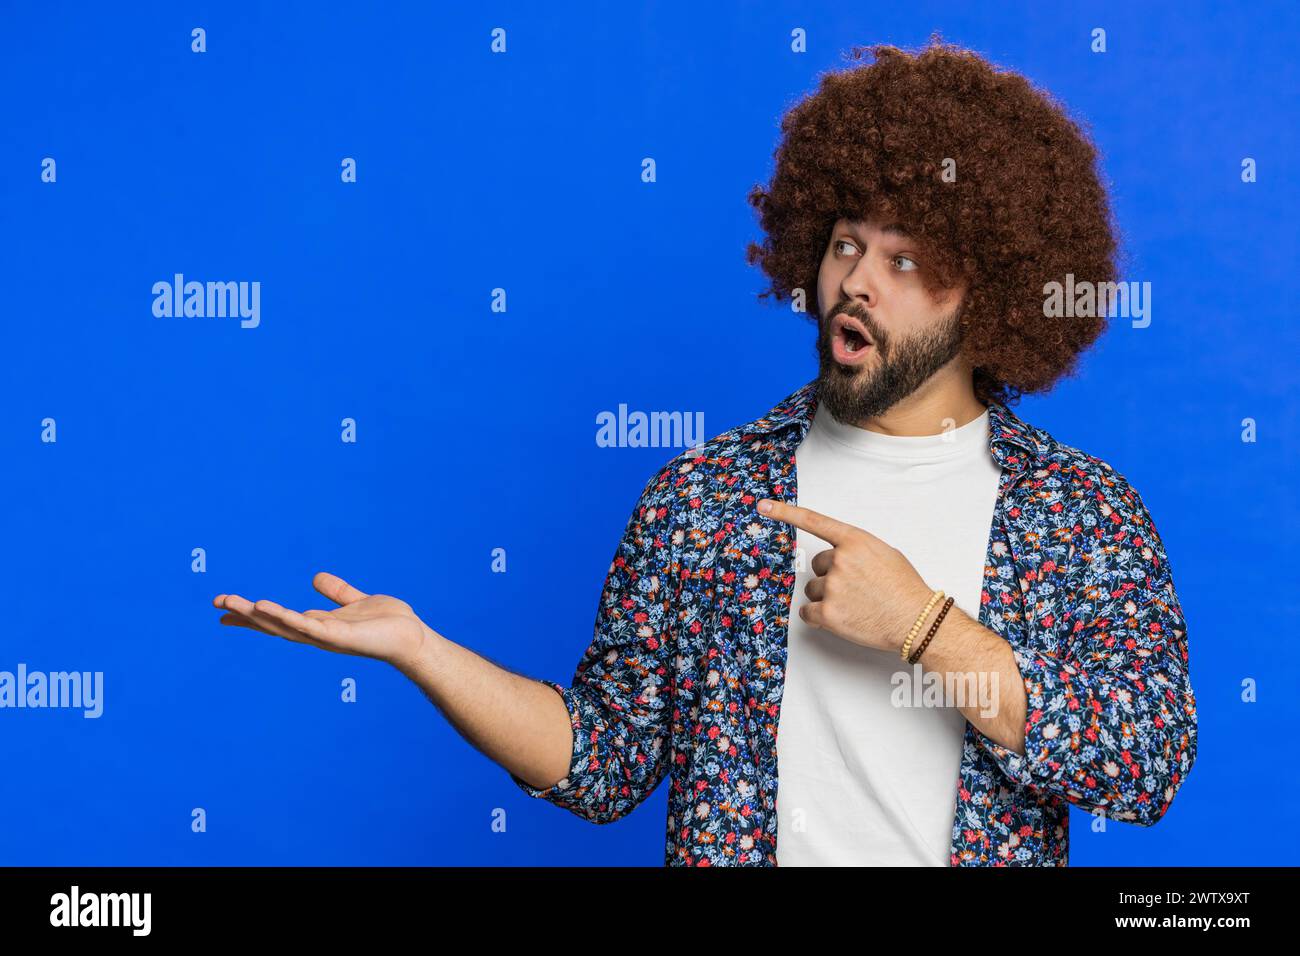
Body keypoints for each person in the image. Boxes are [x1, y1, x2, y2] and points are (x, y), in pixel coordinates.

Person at [213, 39, 1197, 866]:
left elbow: (1143, 762)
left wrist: (920, 624)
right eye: (845, 243)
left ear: (986, 297)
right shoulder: (703, 495)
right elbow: (602, 762)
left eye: (904, 261)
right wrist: (423, 651)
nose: (855, 280)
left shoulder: (1077, 511)